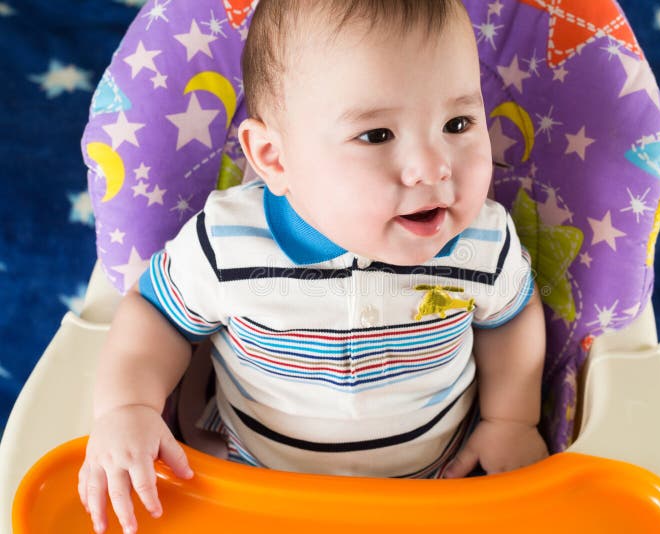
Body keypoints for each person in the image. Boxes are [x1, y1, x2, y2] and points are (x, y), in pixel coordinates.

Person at [78, 1, 548, 532]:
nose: (433, 167)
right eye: (377, 135)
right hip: (259, 488)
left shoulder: (480, 242)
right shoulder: (229, 244)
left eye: (458, 122)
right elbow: (155, 315)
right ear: (276, 159)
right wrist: (128, 407)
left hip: (433, 492)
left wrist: (511, 419)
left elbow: (511, 317)